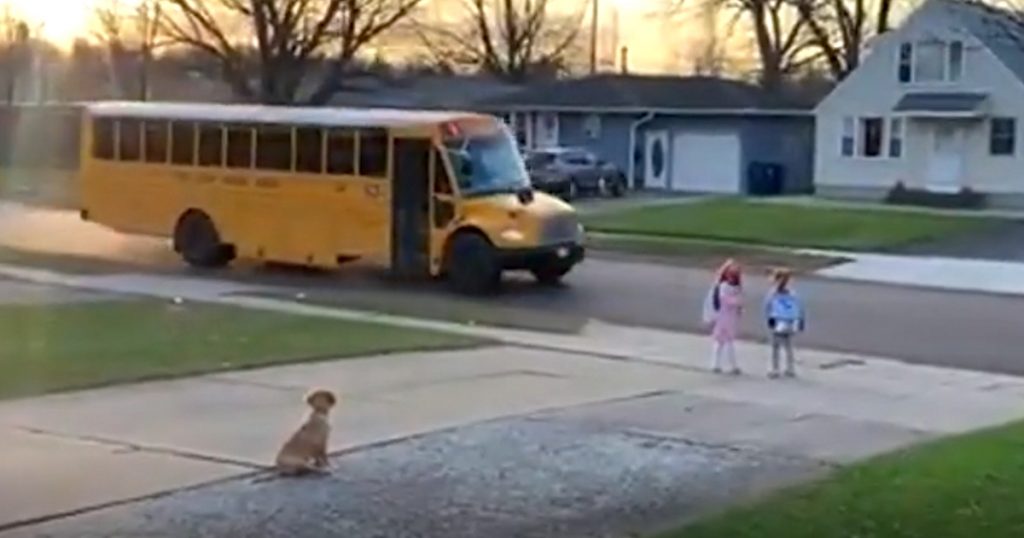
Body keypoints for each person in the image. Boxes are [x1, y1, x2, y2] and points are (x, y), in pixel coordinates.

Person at [702, 259, 744, 375]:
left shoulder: (735, 288)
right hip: (723, 317)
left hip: (730, 317)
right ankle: (717, 364)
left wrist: (739, 307)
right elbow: (724, 299)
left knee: (727, 341)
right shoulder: (724, 286)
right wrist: (737, 302)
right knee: (721, 341)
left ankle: (730, 365)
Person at [763, 268, 805, 379]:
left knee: (778, 346)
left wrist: (769, 318)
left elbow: (767, 306)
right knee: (786, 346)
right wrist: (800, 320)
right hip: (785, 321)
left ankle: (777, 369)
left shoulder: (775, 293)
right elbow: (799, 307)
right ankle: (787, 368)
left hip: (780, 320)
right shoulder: (791, 293)